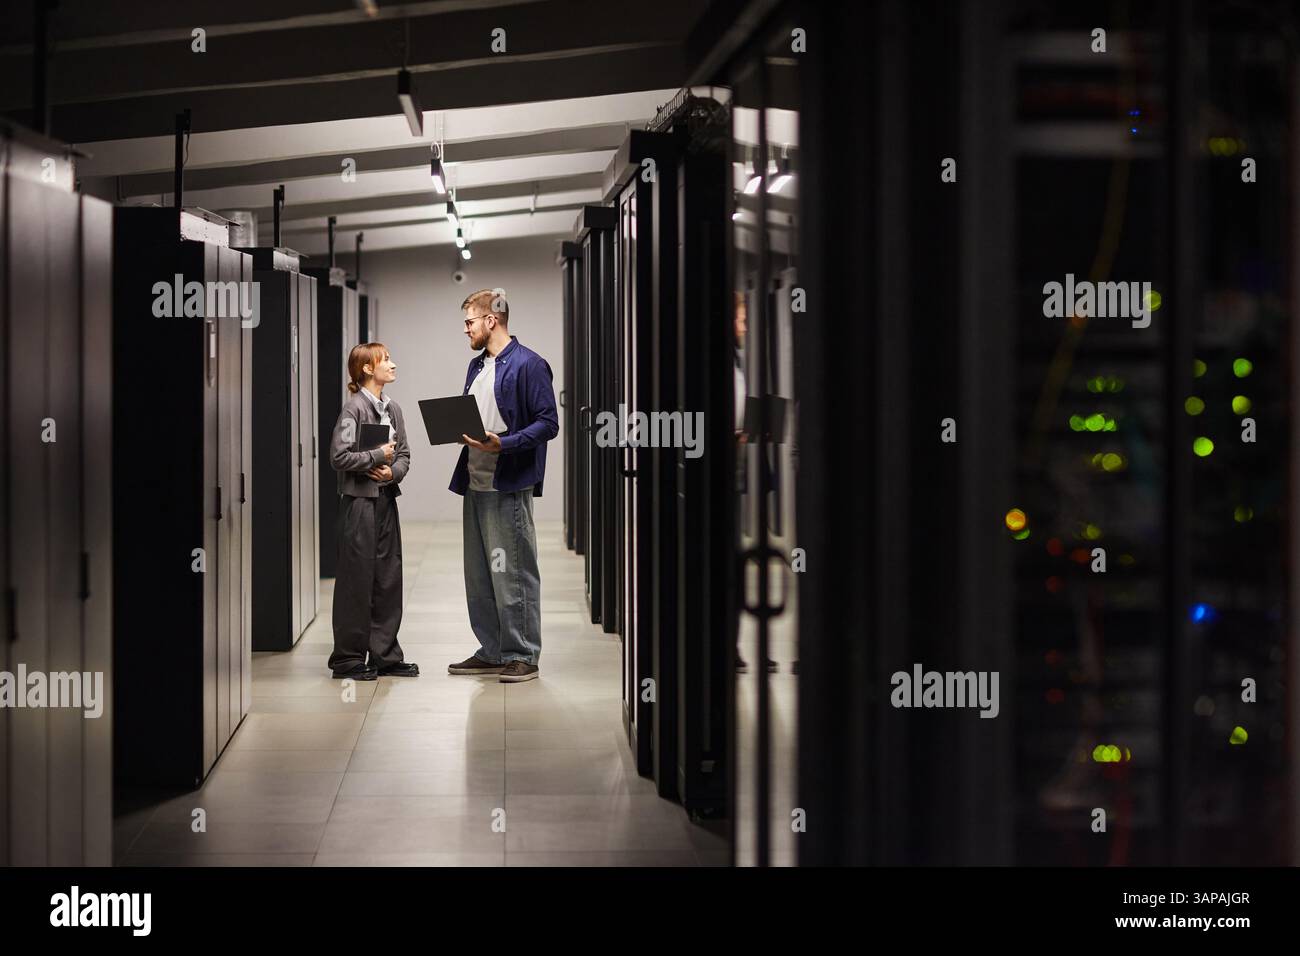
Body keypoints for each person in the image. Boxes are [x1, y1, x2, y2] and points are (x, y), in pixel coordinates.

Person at [447, 289, 559, 683]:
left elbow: (549, 423)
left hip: (507, 483)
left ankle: (523, 653)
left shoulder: (530, 365)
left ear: (491, 320)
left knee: (512, 571)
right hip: (476, 481)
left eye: (470, 322)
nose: (466, 330)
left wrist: (505, 443)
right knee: (479, 573)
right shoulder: (476, 367)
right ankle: (493, 650)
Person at [326, 342, 418, 680]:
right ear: (367, 368)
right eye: (386, 360)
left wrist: (392, 472)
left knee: (389, 578)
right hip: (360, 505)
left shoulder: (393, 409)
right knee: (356, 580)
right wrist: (378, 458)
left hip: (385, 502)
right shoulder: (353, 410)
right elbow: (339, 456)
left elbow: (405, 454)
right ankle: (348, 660)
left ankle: (385, 655)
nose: (393, 365)